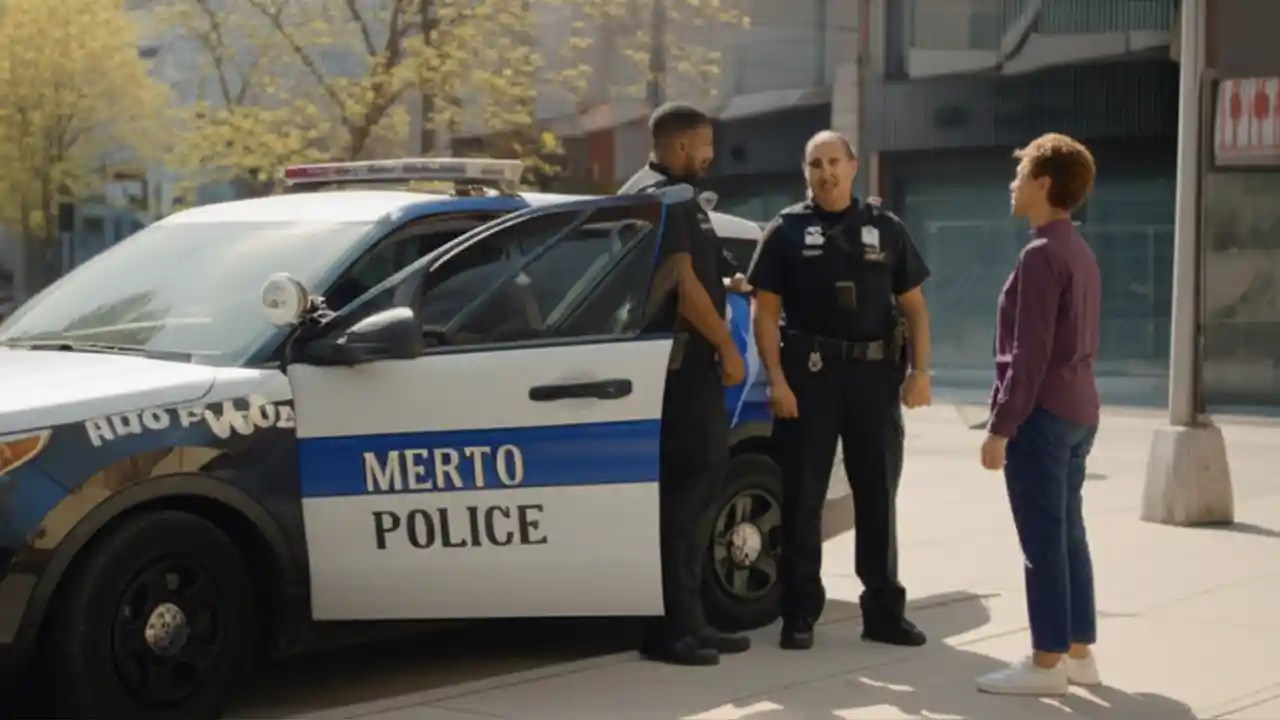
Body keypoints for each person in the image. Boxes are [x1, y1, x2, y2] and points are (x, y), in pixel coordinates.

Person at [747, 130, 933, 651]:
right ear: (804, 172)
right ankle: (800, 612)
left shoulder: (886, 228)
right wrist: (776, 381)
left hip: (874, 377)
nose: (825, 172)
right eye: (814, 164)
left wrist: (921, 373)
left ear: (854, 167)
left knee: (878, 495)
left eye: (834, 162)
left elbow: (915, 309)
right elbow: (765, 313)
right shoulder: (785, 230)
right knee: (803, 497)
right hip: (808, 378)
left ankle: (884, 613)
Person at [619, 101, 751, 666]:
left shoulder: (677, 197)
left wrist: (734, 280)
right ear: (678, 147)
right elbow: (678, 280)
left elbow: (702, 270)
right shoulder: (662, 194)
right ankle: (672, 631)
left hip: (688, 369)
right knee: (685, 500)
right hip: (681, 369)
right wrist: (725, 345)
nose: (710, 156)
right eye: (704, 146)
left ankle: (692, 621)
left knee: (697, 499)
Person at [975, 133, 1102, 696]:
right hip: (1079, 411)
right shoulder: (1078, 248)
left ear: (1044, 184)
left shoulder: (1040, 255)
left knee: (1043, 541)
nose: (1014, 183)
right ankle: (1078, 653)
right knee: (1068, 533)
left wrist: (1001, 428)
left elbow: (1028, 355)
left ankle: (1046, 662)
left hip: (1042, 416)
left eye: (1022, 173)